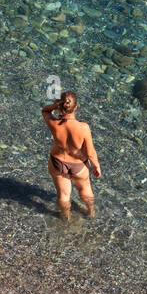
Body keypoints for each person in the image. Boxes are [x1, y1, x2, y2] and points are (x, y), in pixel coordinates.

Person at [41, 90, 101, 221]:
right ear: (76, 108)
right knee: (85, 189)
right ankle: (91, 212)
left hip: (58, 162)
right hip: (78, 165)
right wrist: (96, 166)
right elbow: (90, 152)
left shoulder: (54, 123)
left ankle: (66, 218)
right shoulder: (83, 127)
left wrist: (54, 106)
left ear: (60, 106)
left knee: (63, 195)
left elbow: (45, 111)